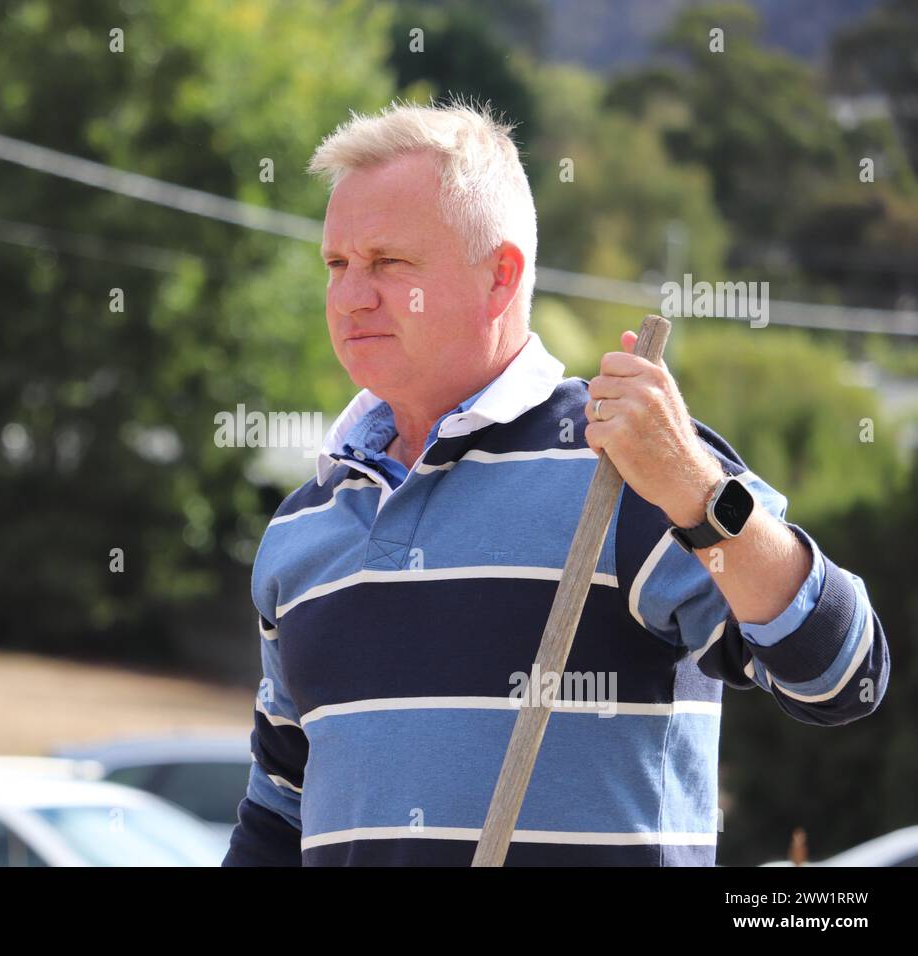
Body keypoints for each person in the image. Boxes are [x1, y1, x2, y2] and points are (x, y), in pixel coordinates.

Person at [223, 99, 890, 866]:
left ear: (500, 277)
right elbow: (278, 816)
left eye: (387, 263)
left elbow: (848, 674)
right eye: (337, 265)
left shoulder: (631, 471)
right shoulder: (301, 529)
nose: (350, 296)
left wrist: (697, 489)